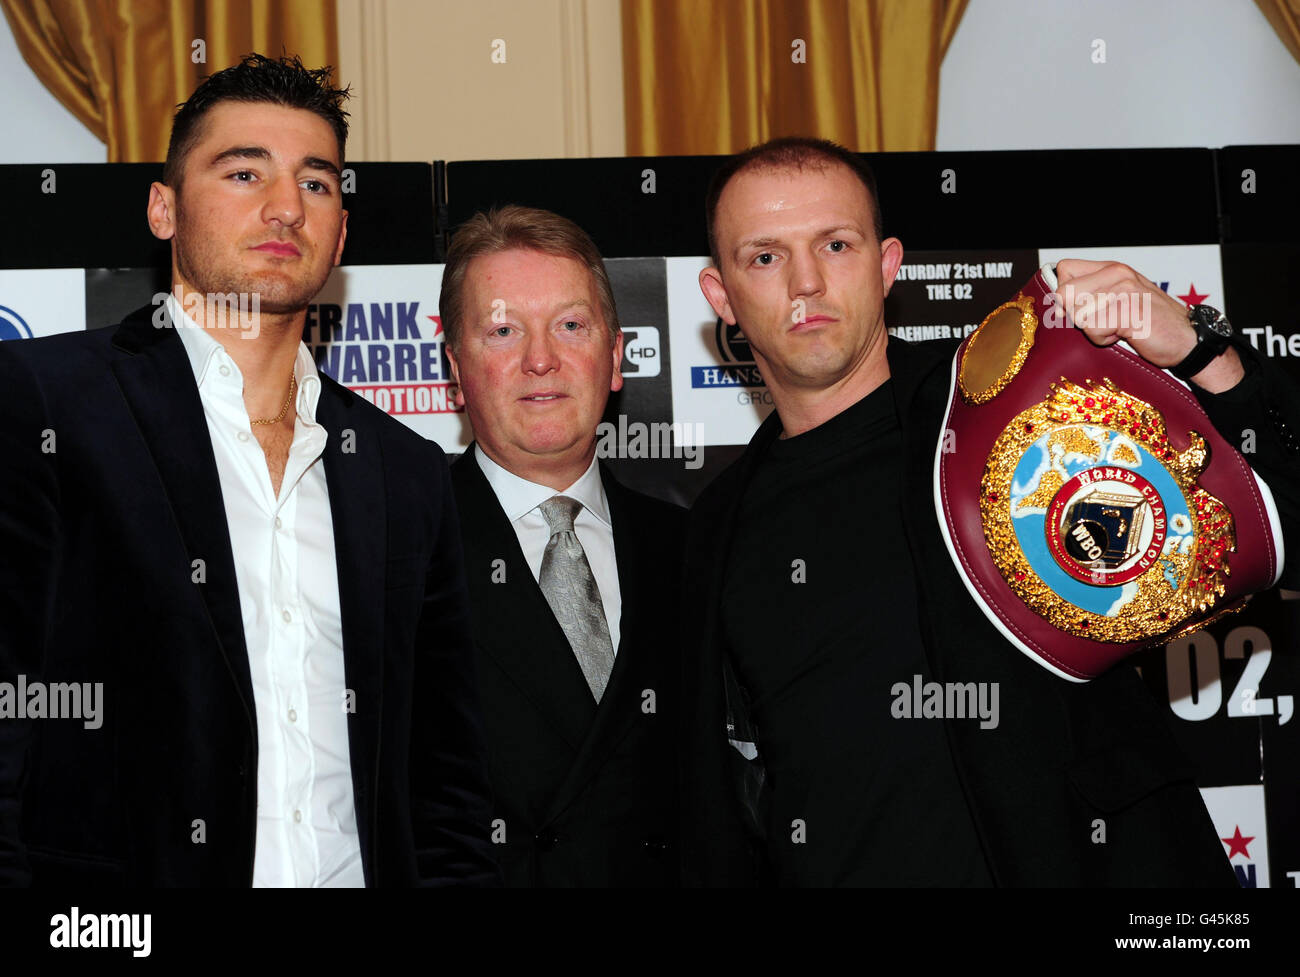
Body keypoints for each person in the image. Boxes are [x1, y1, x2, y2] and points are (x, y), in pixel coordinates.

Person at [682, 136, 1300, 886]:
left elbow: (1275, 508)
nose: (807, 282)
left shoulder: (1012, 403)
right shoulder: (712, 532)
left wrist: (1202, 349)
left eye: (835, 244)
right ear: (722, 297)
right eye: (766, 258)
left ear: (886, 265)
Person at [0, 54, 497, 887]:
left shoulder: (403, 472)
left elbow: (444, 787)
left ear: (341, 230)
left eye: (316, 183)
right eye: (242, 172)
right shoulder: (43, 404)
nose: (283, 208)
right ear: (163, 208)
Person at [441, 205, 683, 886]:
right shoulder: (401, 552)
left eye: (570, 326)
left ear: (614, 357)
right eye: (502, 329)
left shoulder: (693, 548)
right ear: (455, 367)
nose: (540, 358)